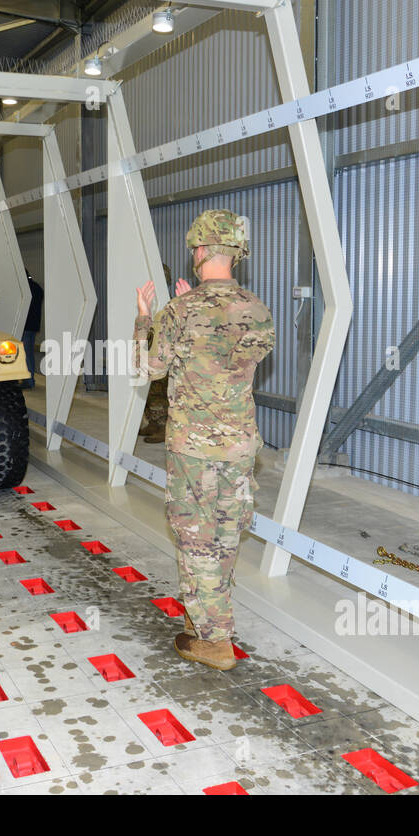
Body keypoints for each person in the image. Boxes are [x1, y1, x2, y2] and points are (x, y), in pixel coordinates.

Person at [132, 209, 274, 671]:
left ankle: (215, 639)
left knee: (195, 538)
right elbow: (229, 352)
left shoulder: (178, 312)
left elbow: (147, 370)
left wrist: (144, 321)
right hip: (240, 445)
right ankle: (205, 618)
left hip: (194, 447)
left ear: (199, 250)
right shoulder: (257, 309)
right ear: (235, 252)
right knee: (227, 534)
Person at [139, 262, 171, 443]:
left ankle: (164, 426)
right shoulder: (148, 300)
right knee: (149, 387)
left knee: (162, 386)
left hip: (162, 350)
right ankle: (153, 421)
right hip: (148, 347)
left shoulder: (167, 302)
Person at [21, 271, 43, 390]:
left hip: (24, 325)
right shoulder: (37, 288)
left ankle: (29, 380)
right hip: (33, 325)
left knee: (25, 353)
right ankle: (28, 378)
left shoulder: (24, 289)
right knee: (28, 352)